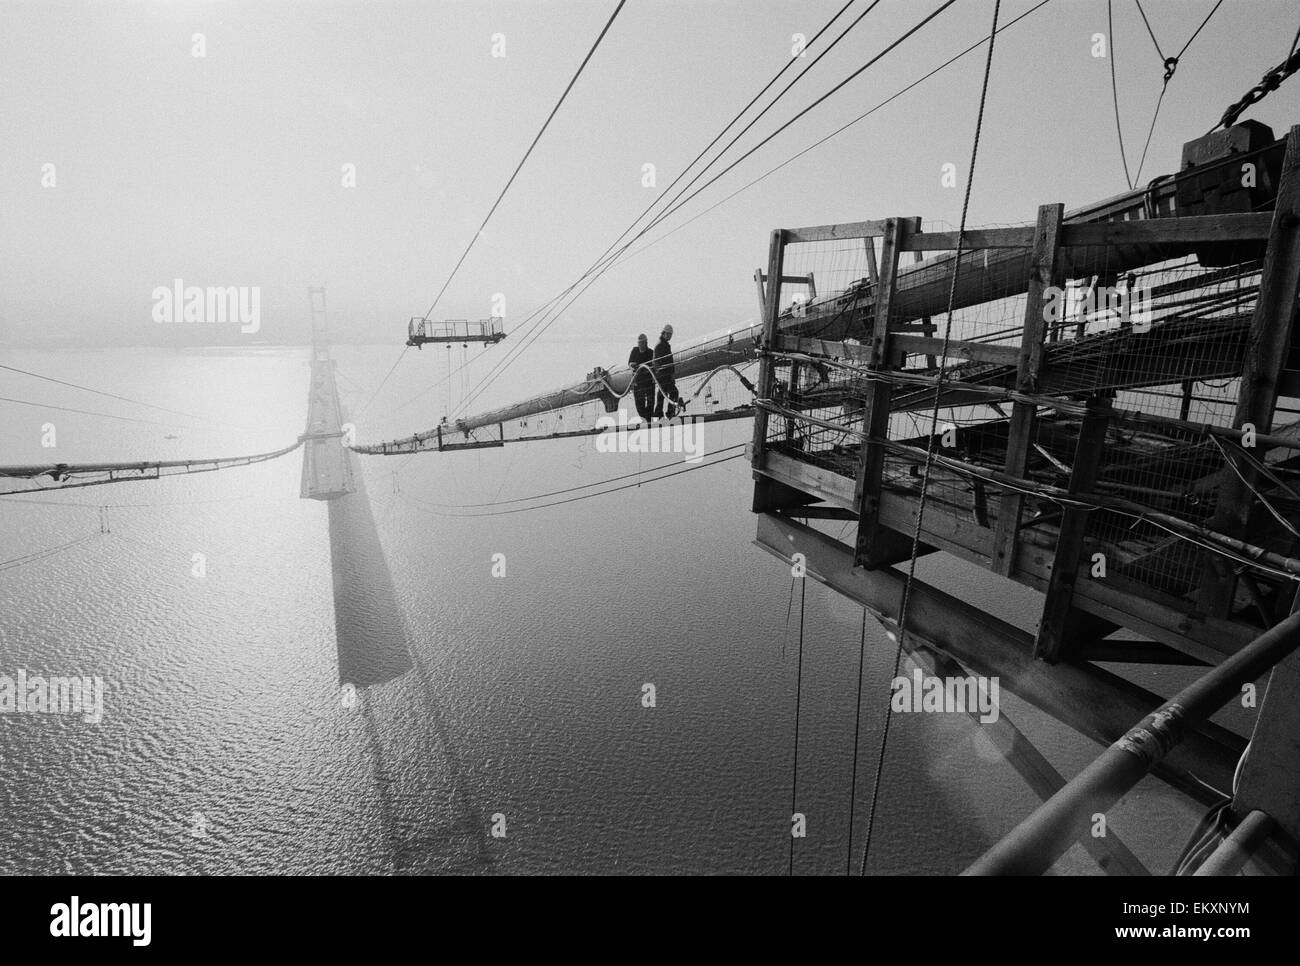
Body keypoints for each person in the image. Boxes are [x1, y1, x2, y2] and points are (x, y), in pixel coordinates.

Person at [652, 324, 684, 419]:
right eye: (668, 334)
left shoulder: (662, 344)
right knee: (673, 392)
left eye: (671, 334)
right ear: (664, 333)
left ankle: (658, 413)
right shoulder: (661, 345)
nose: (670, 336)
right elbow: (659, 361)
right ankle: (669, 412)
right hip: (663, 374)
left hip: (663, 374)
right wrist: (667, 373)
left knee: (662, 393)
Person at [627, 333, 655, 424]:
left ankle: (648, 419)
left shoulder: (651, 352)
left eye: (643, 343)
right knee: (639, 405)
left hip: (648, 382)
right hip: (638, 382)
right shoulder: (635, 351)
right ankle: (644, 419)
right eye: (640, 343)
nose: (641, 345)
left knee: (650, 402)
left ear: (646, 343)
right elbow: (630, 363)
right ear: (638, 343)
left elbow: (654, 365)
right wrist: (632, 365)